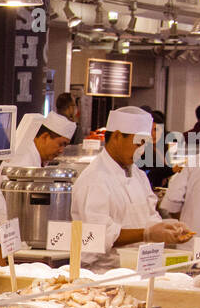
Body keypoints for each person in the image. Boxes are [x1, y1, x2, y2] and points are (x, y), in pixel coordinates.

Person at [72, 106, 192, 262]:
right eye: (138, 143)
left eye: (145, 145)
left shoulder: (139, 175)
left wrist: (167, 229)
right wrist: (146, 233)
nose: (142, 151)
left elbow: (150, 216)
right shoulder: (94, 179)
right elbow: (99, 234)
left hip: (141, 267)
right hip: (104, 273)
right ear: (116, 137)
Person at [0, 111, 75, 185]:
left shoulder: (39, 157)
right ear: (45, 137)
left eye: (65, 146)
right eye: (61, 144)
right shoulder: (23, 159)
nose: (61, 150)